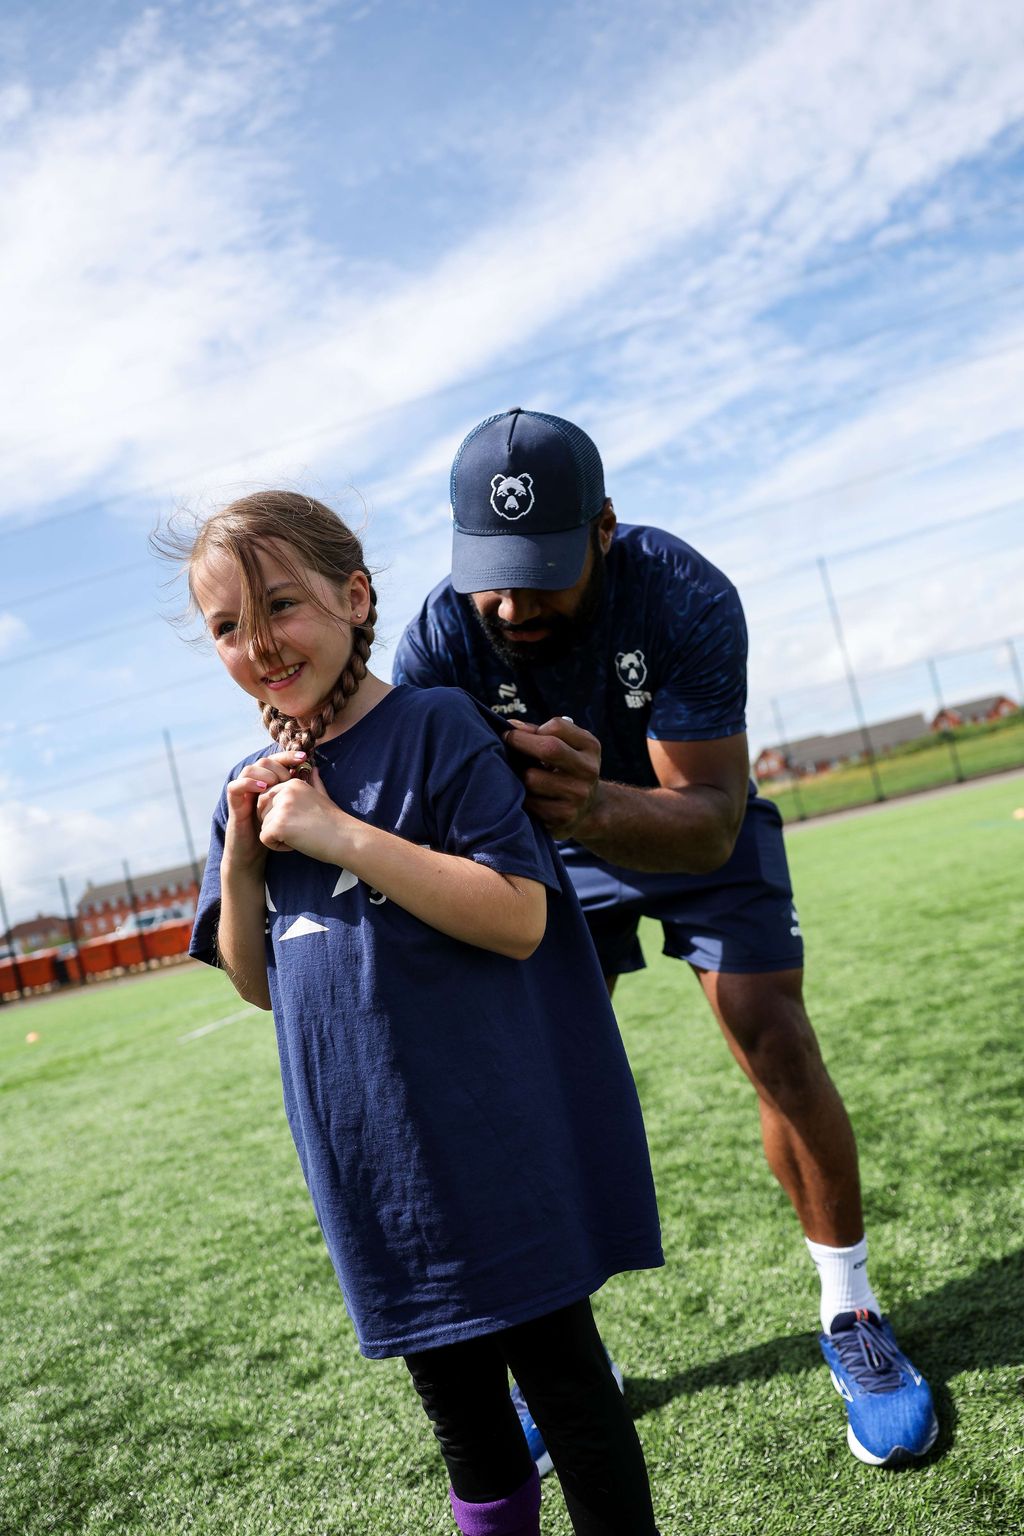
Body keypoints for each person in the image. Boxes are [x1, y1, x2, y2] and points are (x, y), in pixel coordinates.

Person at [393, 408, 938, 1470]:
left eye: (540, 570)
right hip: (543, 850)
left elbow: (709, 818)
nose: (511, 603)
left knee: (772, 1035)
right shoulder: (442, 634)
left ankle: (852, 1313)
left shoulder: (682, 592)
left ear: (603, 529)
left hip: (673, 820)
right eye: (490, 574)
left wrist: (591, 805)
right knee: (522, 1088)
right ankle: (567, 1367)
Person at [166, 490, 664, 1536]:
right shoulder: (242, 793)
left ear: (354, 599)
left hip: (493, 1147)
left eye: (282, 606)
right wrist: (245, 849)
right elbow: (258, 981)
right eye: (226, 626)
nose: (259, 643)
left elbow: (519, 917)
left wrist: (339, 833)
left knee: (569, 1394)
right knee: (468, 1432)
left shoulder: (435, 729)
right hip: (373, 1173)